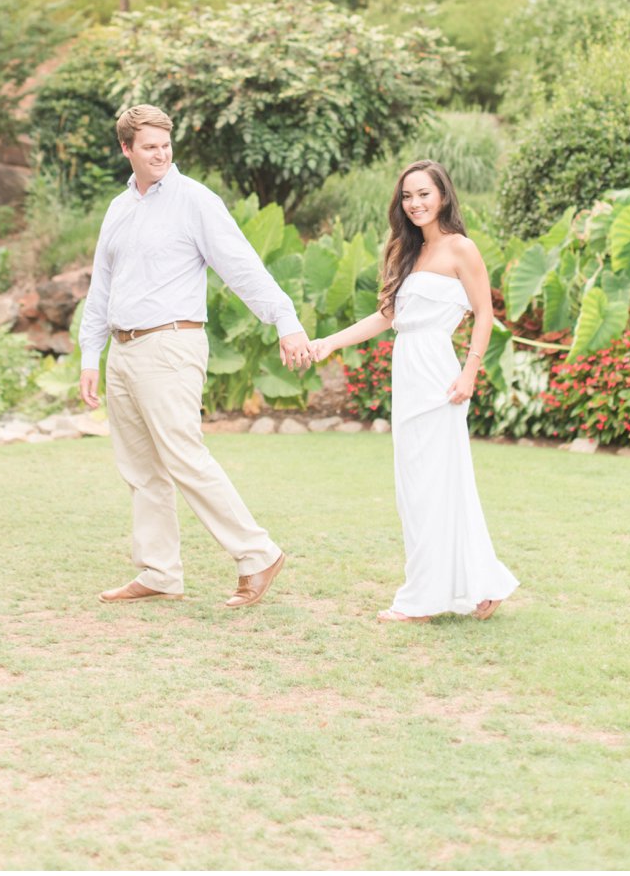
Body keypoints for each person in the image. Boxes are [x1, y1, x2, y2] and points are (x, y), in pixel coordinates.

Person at [79, 104, 309, 609]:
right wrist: (89, 354)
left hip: (171, 344)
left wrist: (285, 320)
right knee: (140, 468)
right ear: (126, 150)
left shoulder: (194, 201)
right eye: (149, 147)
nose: (160, 154)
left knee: (184, 456)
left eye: (166, 145)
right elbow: (102, 286)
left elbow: (241, 265)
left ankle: (258, 553)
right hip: (122, 350)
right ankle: (159, 572)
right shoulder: (118, 209)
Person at [311, 159, 518, 622]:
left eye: (424, 193)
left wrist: (470, 372)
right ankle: (482, 584)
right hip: (408, 371)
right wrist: (328, 343)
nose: (415, 203)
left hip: (439, 373)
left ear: (442, 194)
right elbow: (386, 318)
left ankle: (424, 599)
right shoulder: (405, 251)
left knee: (435, 485)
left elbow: (484, 313)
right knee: (415, 488)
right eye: (407, 196)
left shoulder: (461, 248)